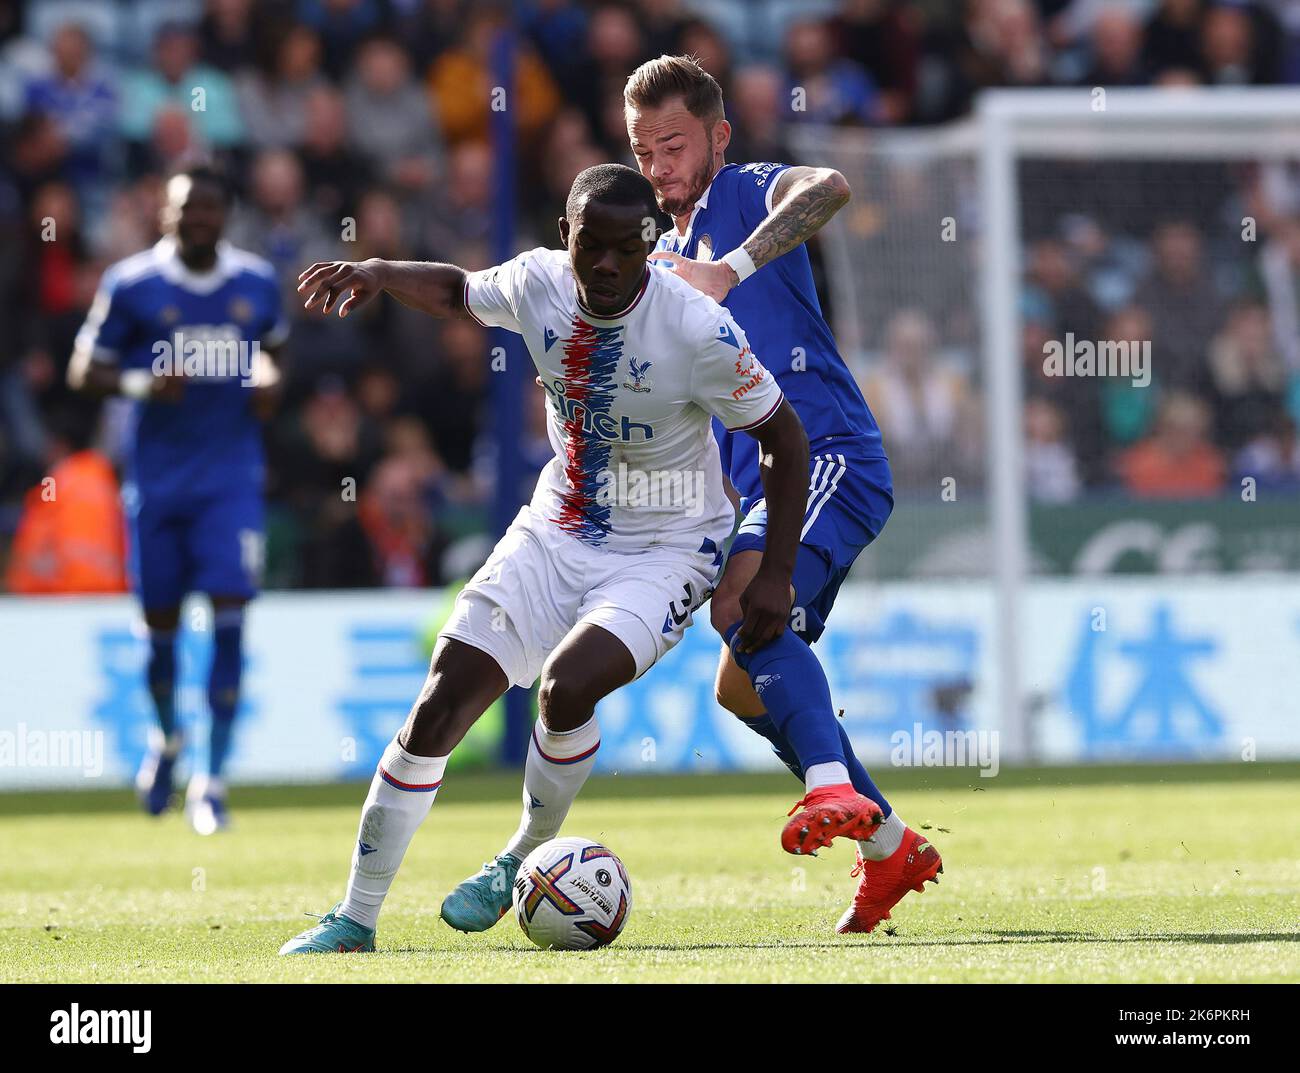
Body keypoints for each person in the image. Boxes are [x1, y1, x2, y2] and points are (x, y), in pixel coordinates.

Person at [278, 163, 847, 954]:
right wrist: (376, 271)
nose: (608, 265)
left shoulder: (696, 329)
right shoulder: (536, 284)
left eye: (627, 248)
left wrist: (776, 572)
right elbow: (454, 290)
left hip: (669, 545)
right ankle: (355, 918)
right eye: (593, 246)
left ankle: (517, 856)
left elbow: (784, 439)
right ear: (565, 239)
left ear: (652, 245)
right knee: (438, 705)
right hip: (556, 527)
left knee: (567, 684)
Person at [624, 54, 942, 934]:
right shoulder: (656, 264)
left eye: (674, 143)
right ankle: (890, 848)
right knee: (741, 683)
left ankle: (830, 787)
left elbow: (831, 186)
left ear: (717, 138)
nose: (658, 165)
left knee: (741, 596)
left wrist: (733, 266)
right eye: (642, 149)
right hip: (760, 486)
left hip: (831, 454)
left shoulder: (745, 193)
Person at [68, 165, 286, 834]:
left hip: (231, 482)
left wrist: (271, 378)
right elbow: (83, 371)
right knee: (159, 636)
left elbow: (273, 354)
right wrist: (140, 385)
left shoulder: (255, 282)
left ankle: (211, 780)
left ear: (226, 215)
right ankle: (167, 741)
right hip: (159, 485)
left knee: (230, 616)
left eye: (212, 209)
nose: (199, 220)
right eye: (188, 208)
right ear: (165, 213)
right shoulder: (132, 284)